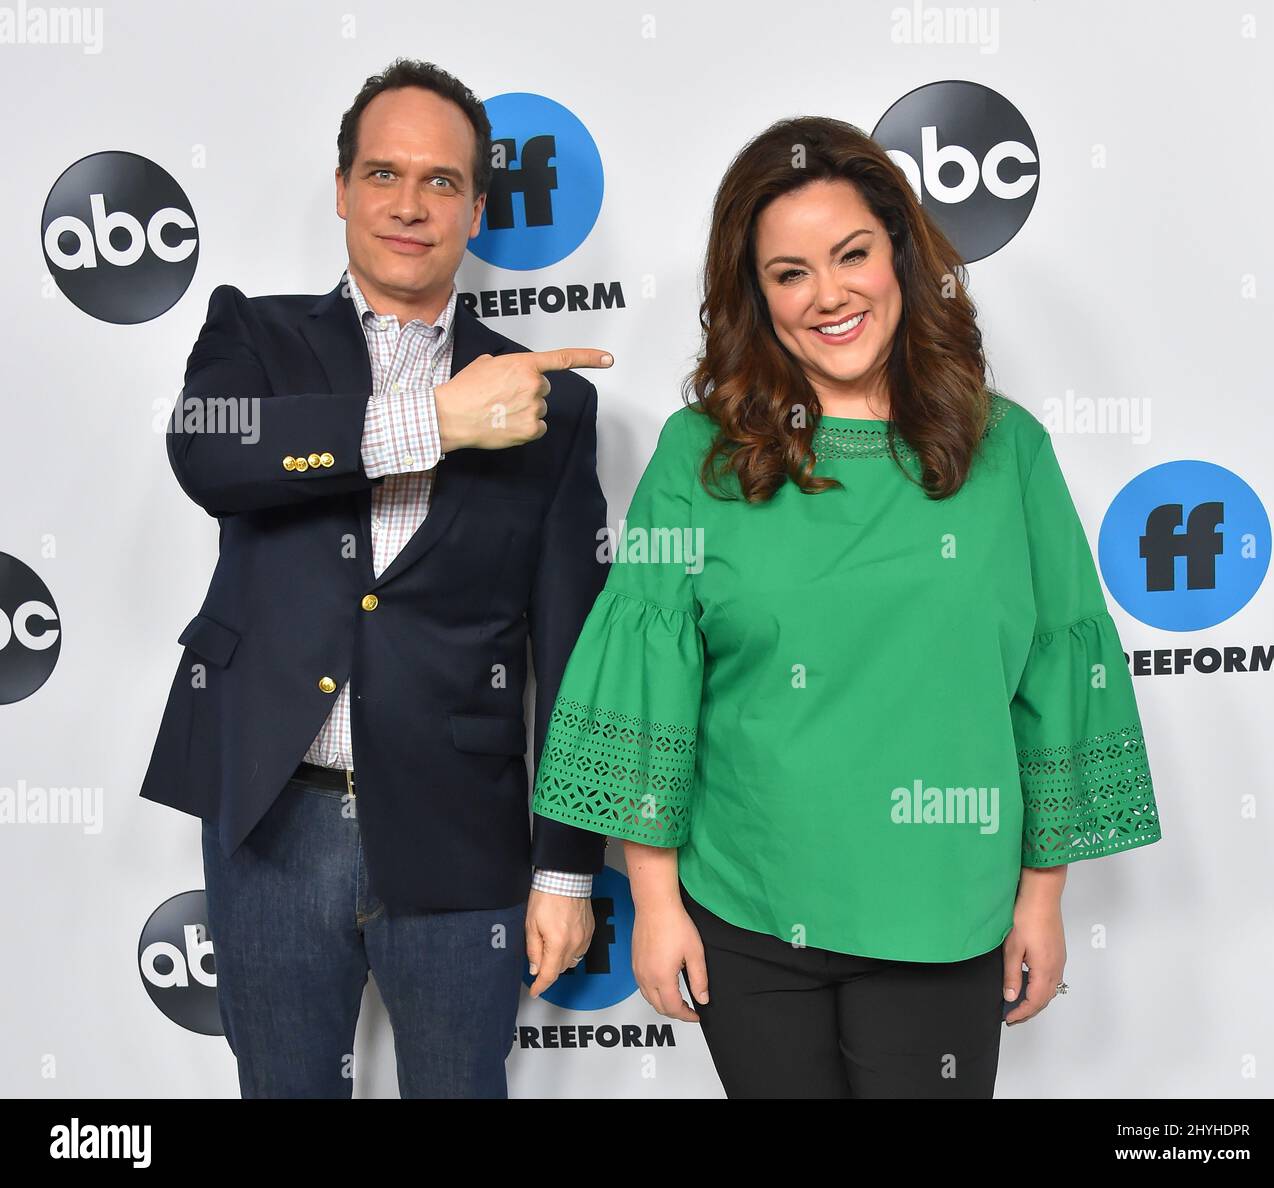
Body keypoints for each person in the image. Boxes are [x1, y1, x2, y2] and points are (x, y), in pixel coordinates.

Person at [530, 115, 1164, 1098]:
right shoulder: (700, 459)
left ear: (901, 257)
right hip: (747, 911)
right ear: (757, 297)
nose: (827, 295)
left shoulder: (1009, 452)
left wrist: (1042, 897)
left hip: (944, 911)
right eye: (789, 273)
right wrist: (654, 900)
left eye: (850, 255)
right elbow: (647, 686)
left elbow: (1054, 672)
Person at [139, 58, 615, 1098]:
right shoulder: (254, 337)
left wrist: (567, 866)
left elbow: (575, 657)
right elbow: (211, 458)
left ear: (477, 207)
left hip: (461, 827)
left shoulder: (549, 404)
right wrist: (439, 421)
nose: (409, 205)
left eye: (441, 182)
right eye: (384, 174)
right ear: (345, 186)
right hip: (275, 818)